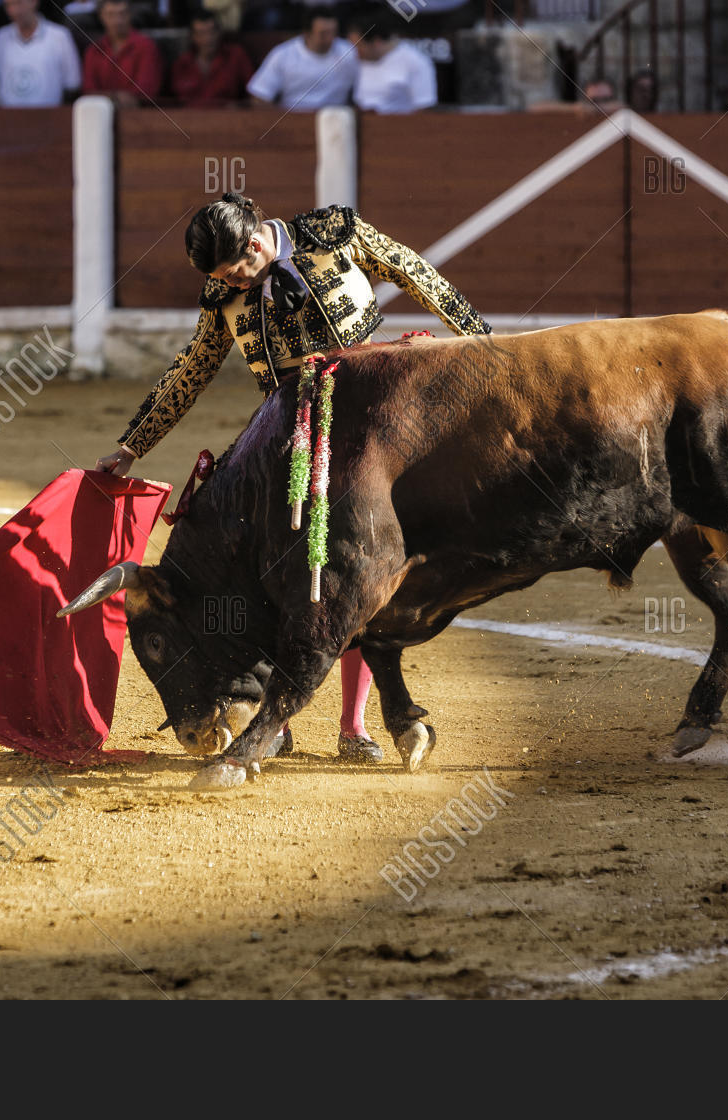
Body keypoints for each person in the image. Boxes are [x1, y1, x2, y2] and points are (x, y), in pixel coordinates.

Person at [93, 193, 492, 764]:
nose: (233, 283)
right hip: (291, 439)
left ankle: (353, 725)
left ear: (256, 242)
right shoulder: (224, 297)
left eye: (236, 270)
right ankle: (277, 719)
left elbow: (416, 274)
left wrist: (482, 342)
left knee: (357, 570)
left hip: (372, 425)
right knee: (282, 573)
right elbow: (191, 370)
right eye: (222, 278)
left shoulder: (334, 235)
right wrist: (133, 444)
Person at [247, 7, 357, 109]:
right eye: (323, 34)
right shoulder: (283, 54)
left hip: (337, 118)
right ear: (307, 33)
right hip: (292, 117)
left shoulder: (350, 52)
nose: (330, 39)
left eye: (333, 33)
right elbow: (260, 95)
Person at [0, 0, 81, 107]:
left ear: (34, 2)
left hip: (50, 115)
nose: (14, 11)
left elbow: (72, 83)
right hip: (6, 116)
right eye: (8, 5)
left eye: (19, 3)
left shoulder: (60, 36)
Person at [347, 16, 436, 114]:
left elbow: (424, 107)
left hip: (398, 121)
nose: (354, 52)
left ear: (377, 42)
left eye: (359, 46)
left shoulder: (416, 61)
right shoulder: (358, 60)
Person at [82, 0, 163, 107]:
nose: (117, 21)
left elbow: (146, 90)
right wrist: (115, 98)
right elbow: (88, 90)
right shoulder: (93, 50)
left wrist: (108, 97)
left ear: (130, 15)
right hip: (100, 112)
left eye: (122, 13)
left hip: (139, 112)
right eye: (111, 14)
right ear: (101, 16)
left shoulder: (146, 47)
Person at [170, 9, 252, 106]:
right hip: (188, 114)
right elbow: (171, 101)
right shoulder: (182, 63)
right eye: (201, 33)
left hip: (226, 114)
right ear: (192, 37)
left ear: (219, 32)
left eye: (211, 32)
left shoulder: (236, 55)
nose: (208, 39)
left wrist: (240, 106)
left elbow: (255, 93)